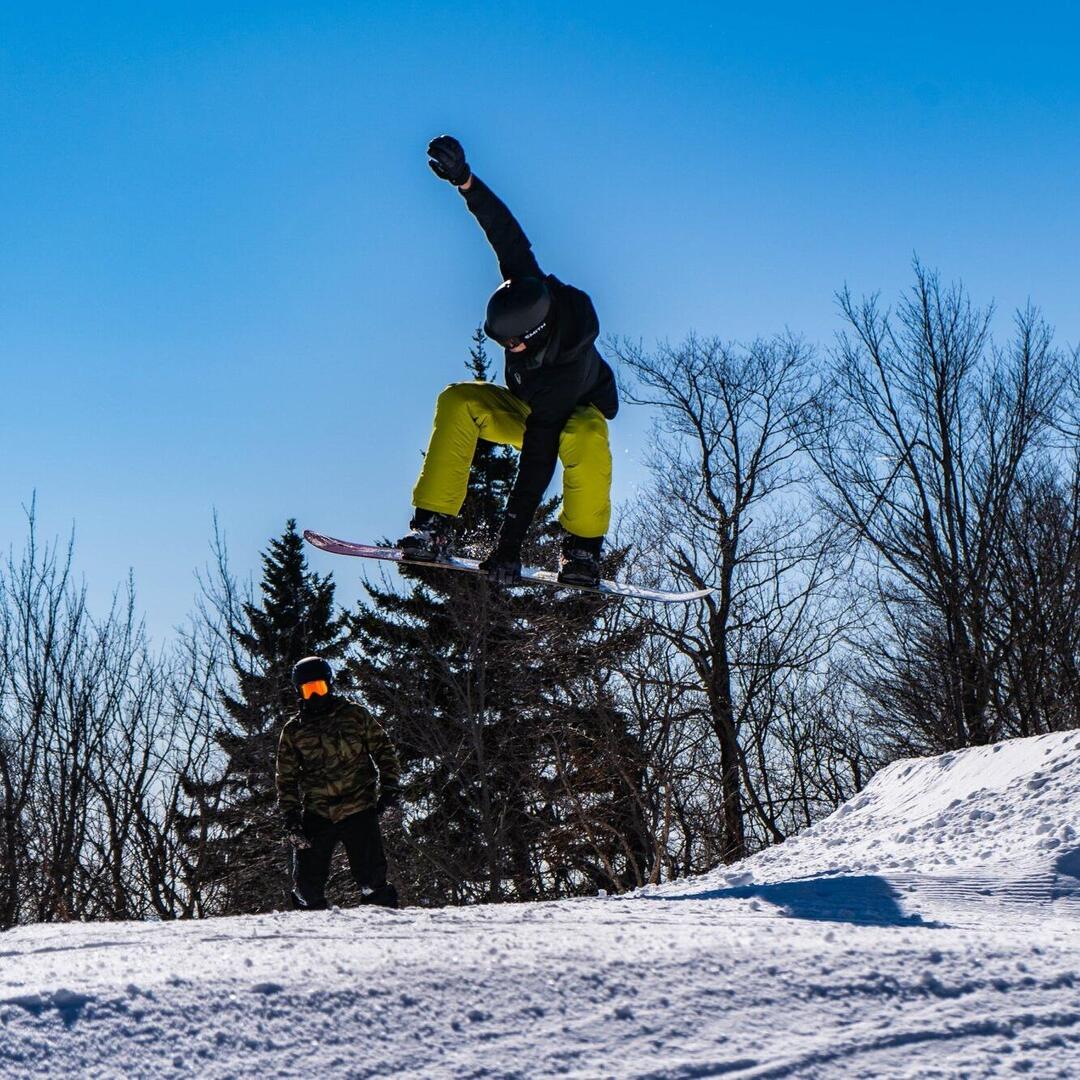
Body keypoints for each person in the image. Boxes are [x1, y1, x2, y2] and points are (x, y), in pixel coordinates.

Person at [397, 134, 619, 589]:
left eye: (513, 344)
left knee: (587, 436)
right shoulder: (527, 282)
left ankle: (582, 549)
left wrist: (508, 546)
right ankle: (433, 525)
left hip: (568, 412)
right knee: (459, 400)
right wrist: (464, 181)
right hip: (528, 410)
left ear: (535, 337)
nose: (507, 351)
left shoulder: (565, 368)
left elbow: (538, 461)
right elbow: (502, 229)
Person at [276, 655, 402, 910]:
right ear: (299, 692)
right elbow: (285, 777)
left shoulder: (355, 716)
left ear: (330, 685)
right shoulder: (294, 731)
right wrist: (290, 816)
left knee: (373, 881)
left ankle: (384, 930)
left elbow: (383, 749)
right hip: (318, 811)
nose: (315, 697)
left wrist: (390, 786)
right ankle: (312, 938)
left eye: (319, 688)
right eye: (308, 690)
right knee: (306, 890)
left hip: (358, 805)